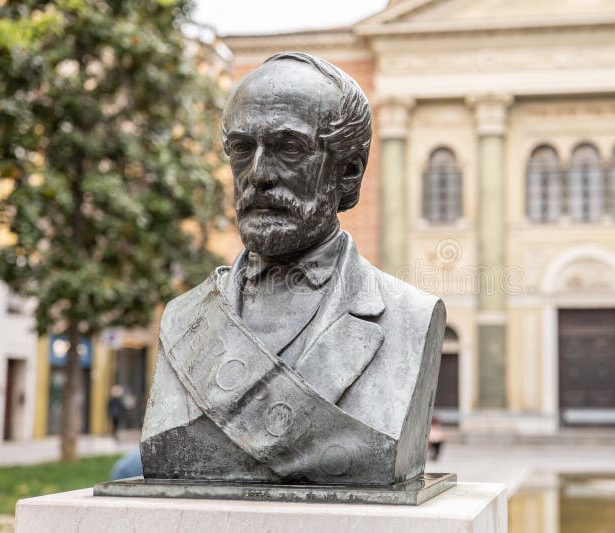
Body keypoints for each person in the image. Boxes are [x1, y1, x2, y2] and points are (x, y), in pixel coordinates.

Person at [140, 52, 446, 486]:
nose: (259, 174)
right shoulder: (184, 318)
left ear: (348, 174)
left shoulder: (410, 317)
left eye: (289, 148)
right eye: (243, 149)